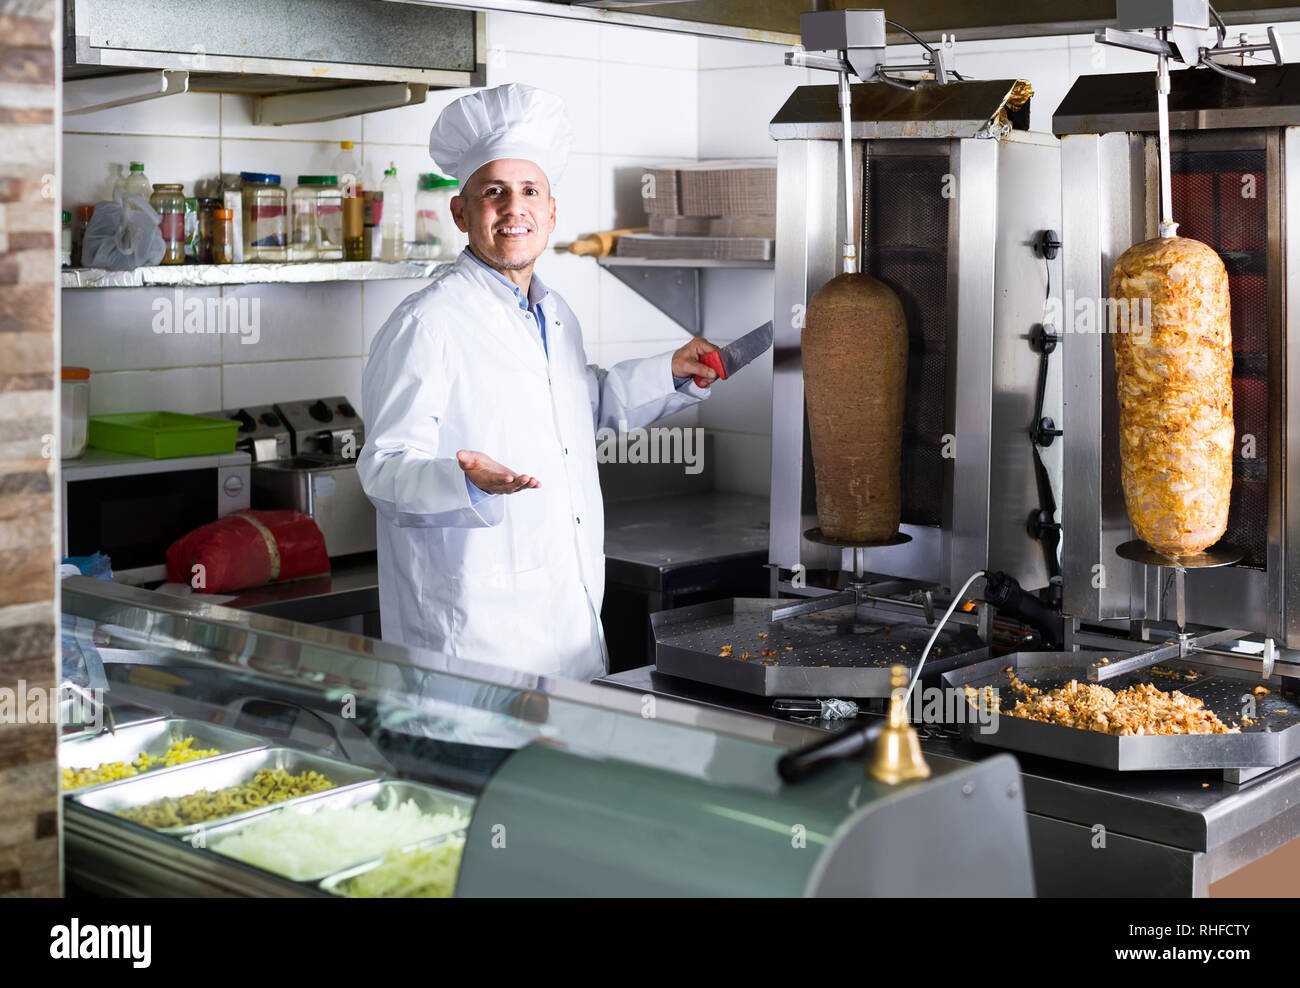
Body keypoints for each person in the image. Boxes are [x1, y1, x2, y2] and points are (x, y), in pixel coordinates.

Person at [358, 83, 722, 686]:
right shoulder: (428, 323)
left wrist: (668, 372)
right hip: (472, 649)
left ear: (551, 211)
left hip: (569, 635)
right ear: (460, 212)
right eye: (492, 192)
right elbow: (385, 471)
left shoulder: (554, 314)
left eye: (529, 191)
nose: (513, 208)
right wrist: (463, 482)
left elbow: (581, 404)